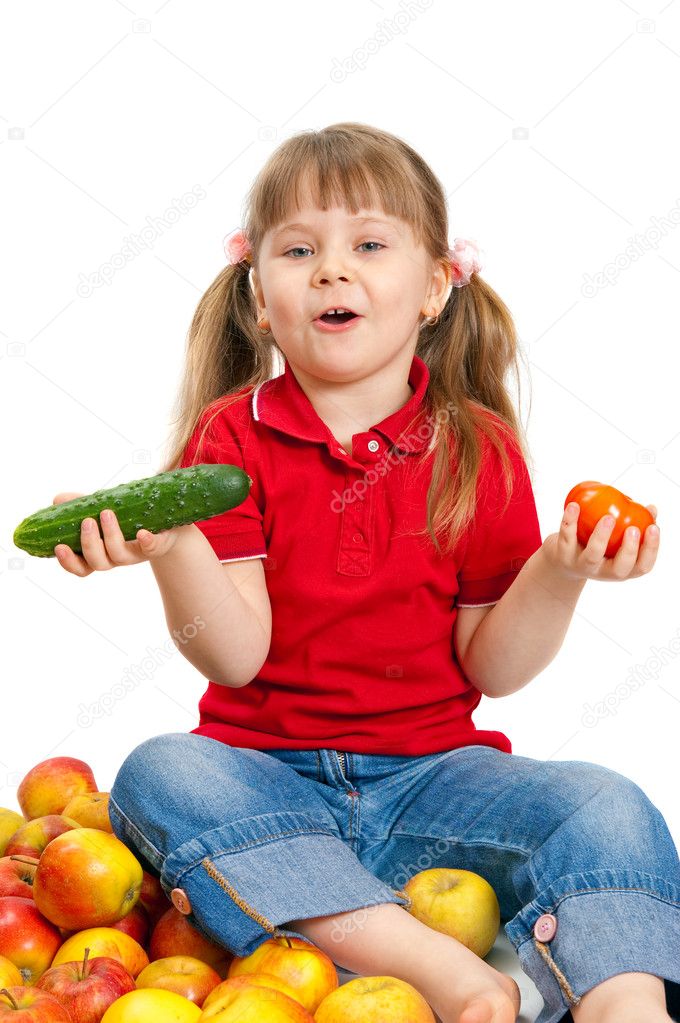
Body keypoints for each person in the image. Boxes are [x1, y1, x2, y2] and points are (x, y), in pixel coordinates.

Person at [52, 122, 679, 1023]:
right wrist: (175, 543)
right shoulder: (230, 440)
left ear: (431, 288)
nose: (332, 270)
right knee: (160, 773)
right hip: (264, 778)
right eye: (299, 249)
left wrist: (561, 568)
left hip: (440, 781)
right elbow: (234, 657)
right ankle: (443, 971)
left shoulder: (479, 447)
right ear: (260, 297)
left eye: (369, 245)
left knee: (607, 804)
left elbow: (493, 667)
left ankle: (626, 1000)